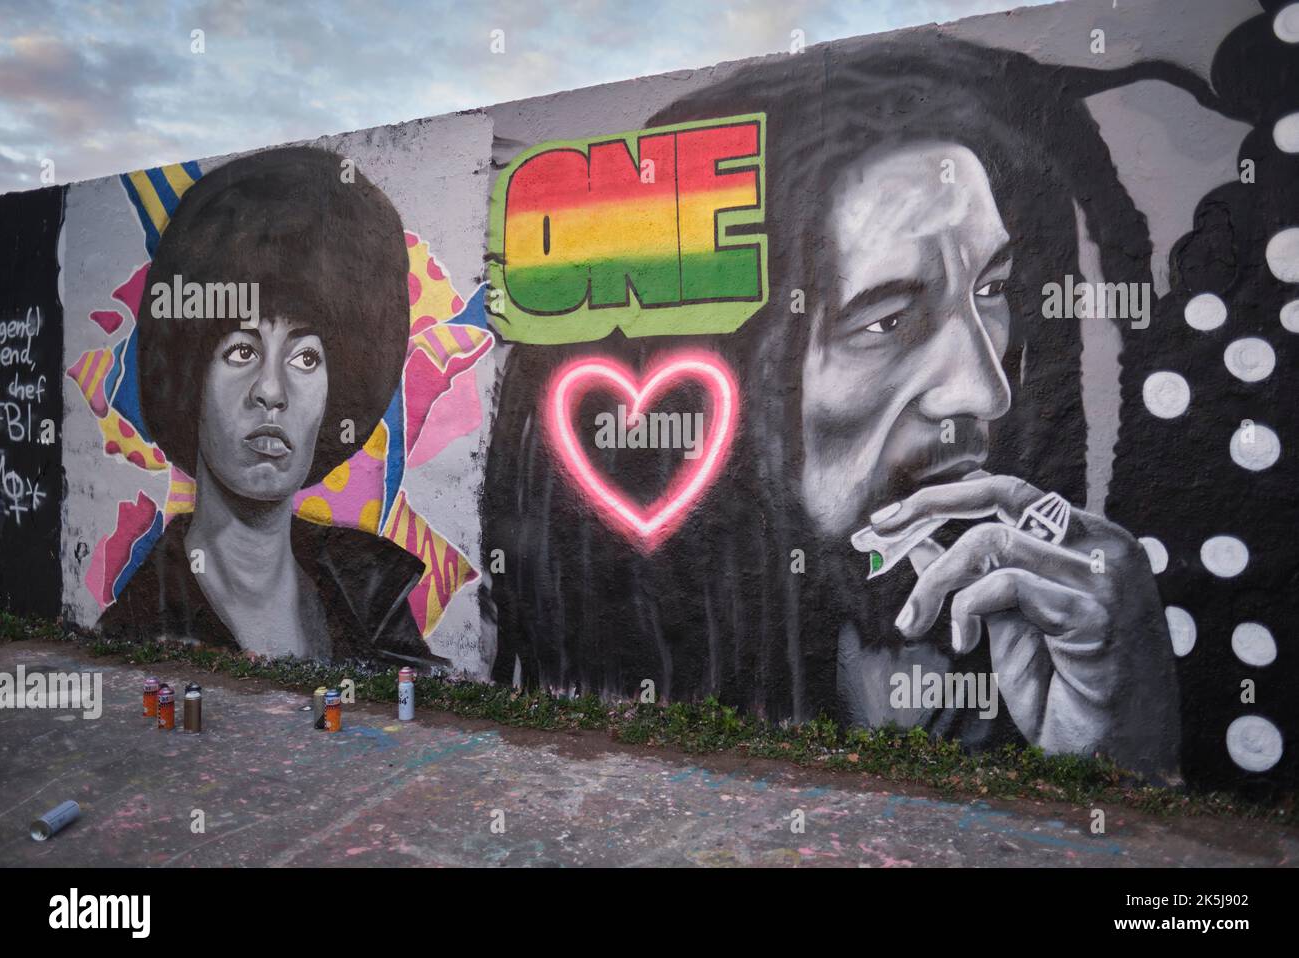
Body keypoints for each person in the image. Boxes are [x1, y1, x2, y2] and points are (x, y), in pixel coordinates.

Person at [483, 35, 1221, 777]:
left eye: (991, 289)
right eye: (885, 321)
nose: (986, 390)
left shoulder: (1030, 658)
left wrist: (1115, 758)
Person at [99, 146, 440, 669]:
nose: (271, 390)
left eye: (306, 357)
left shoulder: (372, 594)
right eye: (242, 350)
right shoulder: (140, 634)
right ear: (193, 377)